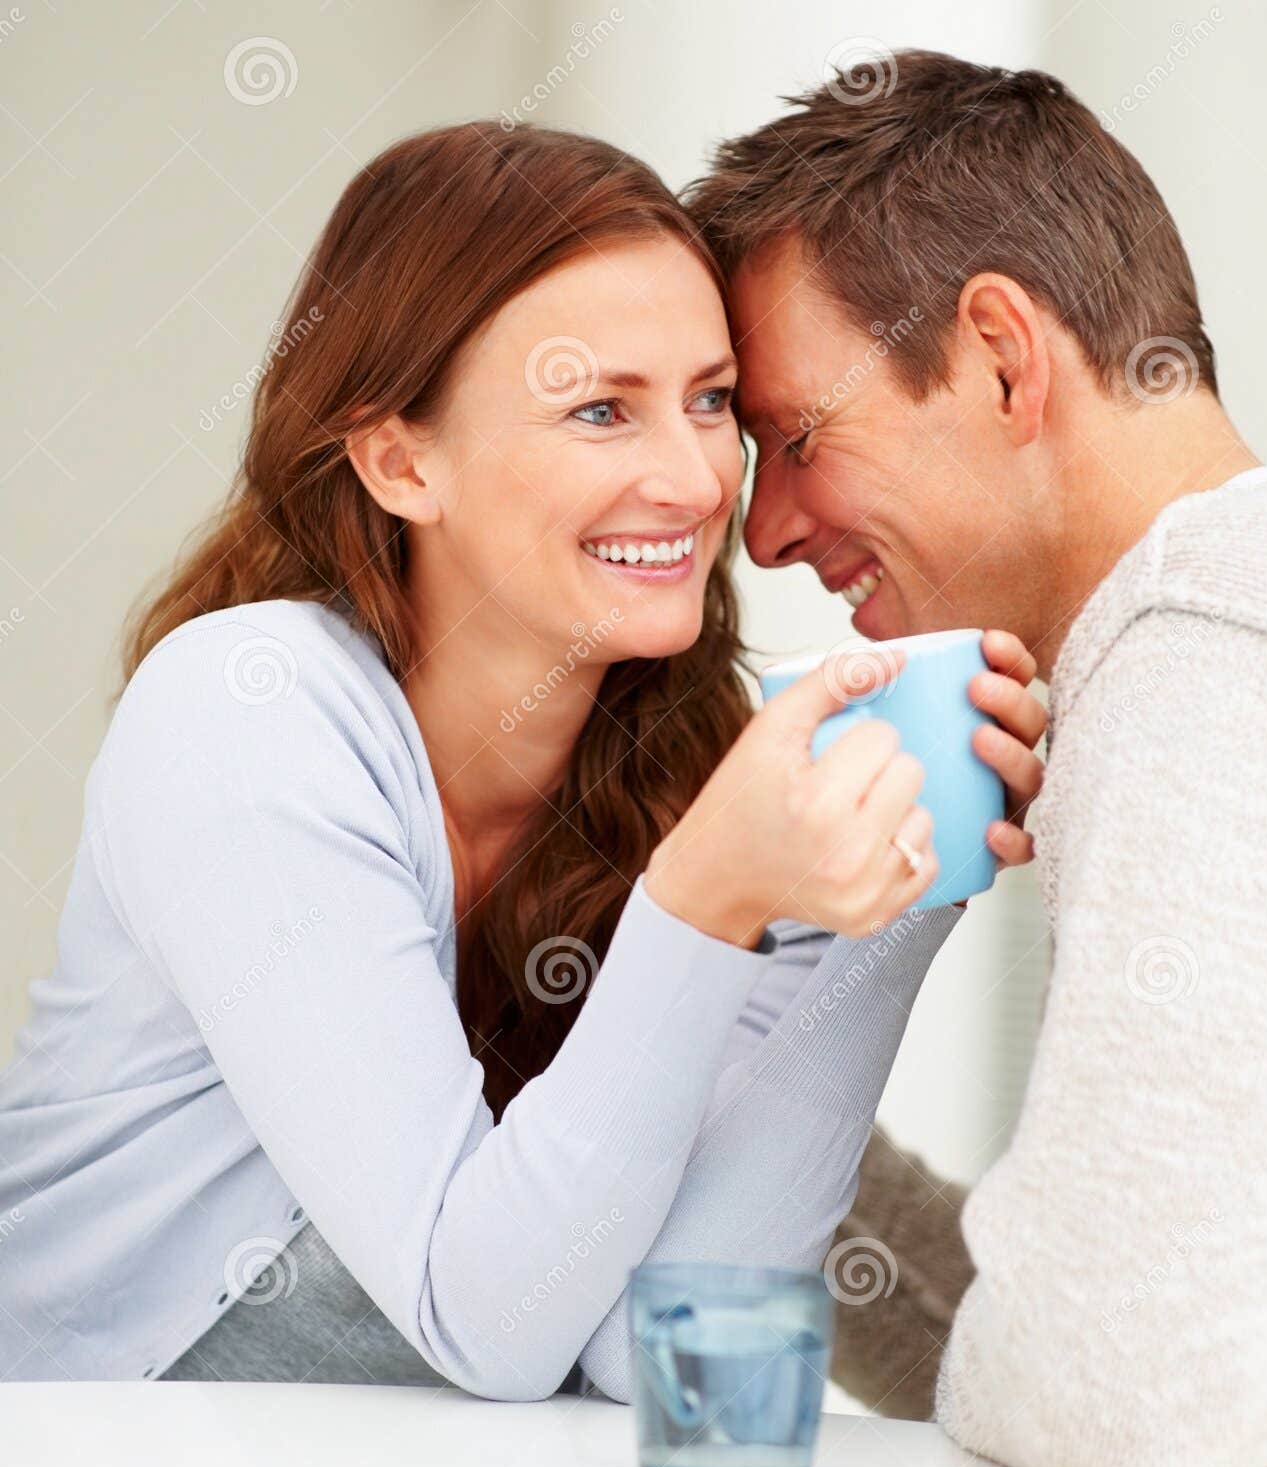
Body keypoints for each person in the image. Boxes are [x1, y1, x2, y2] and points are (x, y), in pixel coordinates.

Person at [0, 123, 1046, 1398]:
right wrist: (703, 901)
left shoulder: (684, 767)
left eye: (711, 402)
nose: (693, 478)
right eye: (600, 409)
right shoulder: (243, 710)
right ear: (400, 459)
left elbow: (658, 1354)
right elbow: (482, 1317)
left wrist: (897, 893)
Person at [688, 50, 1267, 1467]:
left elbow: (1103, 1393)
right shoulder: (1258, 621)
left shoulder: (1228, 654)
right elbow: (1053, 1333)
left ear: (1001, 358)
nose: (759, 530)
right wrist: (713, 1069)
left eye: (792, 438)